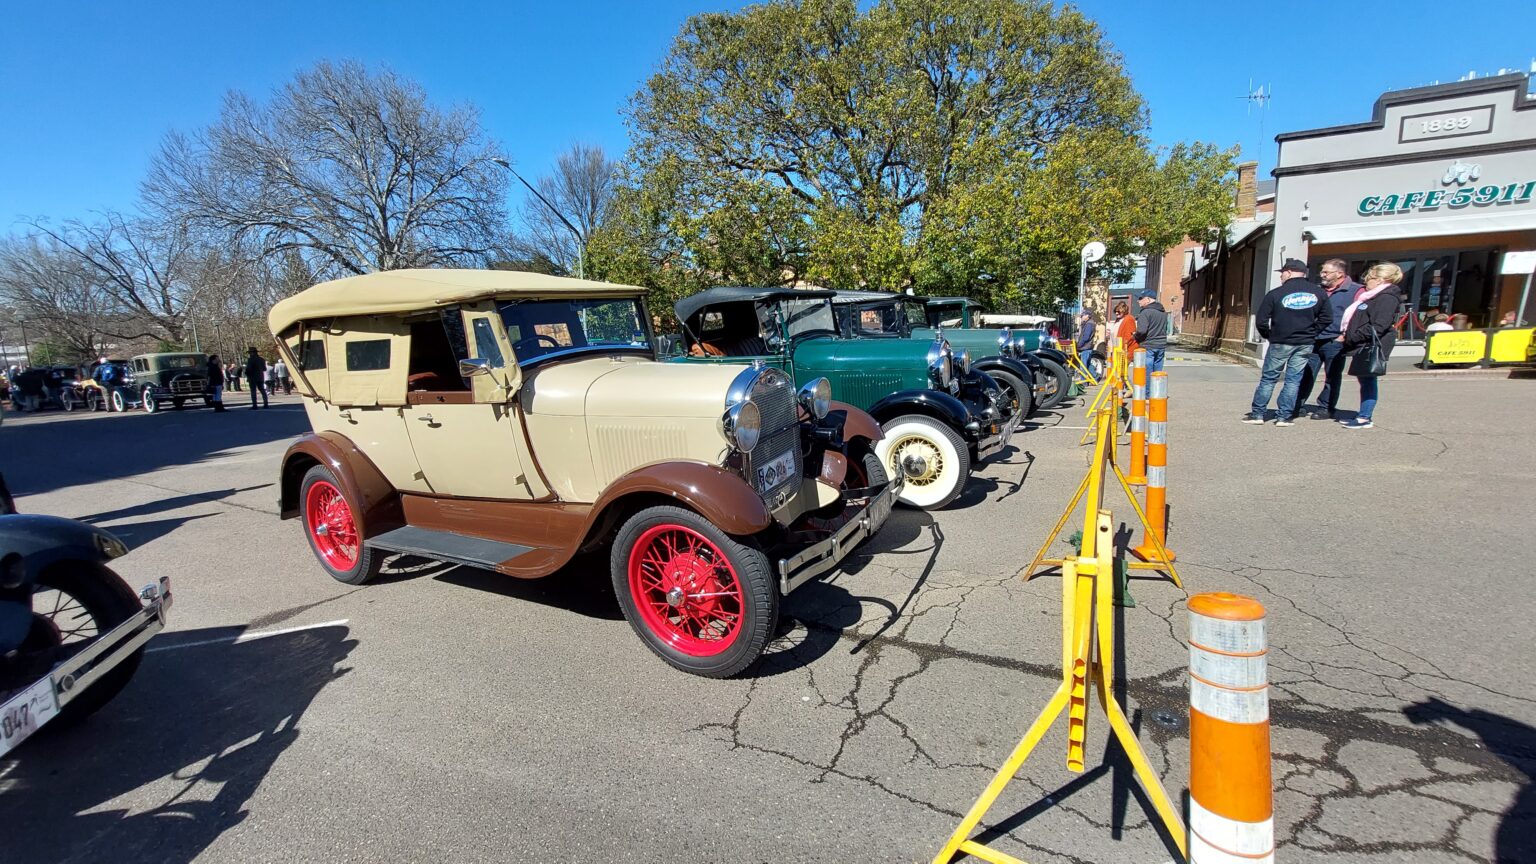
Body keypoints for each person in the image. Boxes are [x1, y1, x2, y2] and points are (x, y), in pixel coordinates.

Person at [1242, 258, 1331, 426]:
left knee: (1269, 379)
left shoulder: (1276, 293)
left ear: (1289, 272)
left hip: (1280, 341)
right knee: (1293, 380)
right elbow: (1327, 318)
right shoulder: (1318, 293)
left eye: (1282, 273)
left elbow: (1261, 320)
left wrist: (1269, 335)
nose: (1281, 276)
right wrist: (1313, 332)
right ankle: (1284, 416)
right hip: (1305, 342)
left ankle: (1258, 414)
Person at [1338, 262, 1404, 430]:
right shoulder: (1373, 296)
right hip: (1363, 343)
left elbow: (1379, 325)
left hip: (1371, 345)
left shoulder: (1387, 297)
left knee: (1368, 380)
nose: (1366, 280)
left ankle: (1364, 417)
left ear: (1382, 279)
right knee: (1365, 380)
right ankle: (1363, 415)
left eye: (1370, 277)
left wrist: (1353, 337)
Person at [1296, 258, 1359, 420]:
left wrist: (1344, 336)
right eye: (1322, 271)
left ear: (1339, 274)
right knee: (1306, 373)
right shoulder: (1317, 290)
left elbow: (1358, 317)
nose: (1322, 274)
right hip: (1314, 339)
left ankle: (1326, 407)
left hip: (1335, 341)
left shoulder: (1355, 291)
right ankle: (1298, 405)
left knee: (1332, 376)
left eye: (1326, 272)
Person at [1132, 289, 1168, 373]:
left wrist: (1134, 335)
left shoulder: (1145, 312)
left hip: (1148, 346)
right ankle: (1156, 386)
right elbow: (1164, 329)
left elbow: (1141, 331)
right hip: (1161, 346)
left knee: (1147, 373)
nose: (1138, 301)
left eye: (1141, 298)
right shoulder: (1163, 313)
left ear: (1148, 299)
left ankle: (1148, 387)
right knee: (1157, 374)